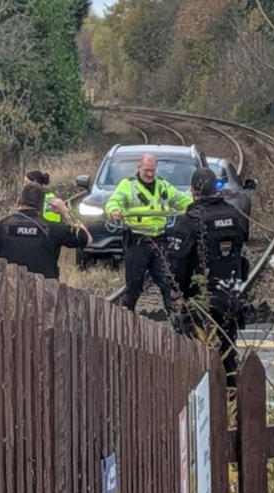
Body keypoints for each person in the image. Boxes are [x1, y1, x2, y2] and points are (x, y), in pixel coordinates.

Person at [166, 167, 249, 387]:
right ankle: (230, 401)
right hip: (231, 296)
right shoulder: (236, 216)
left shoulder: (189, 222)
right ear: (216, 189)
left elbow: (176, 268)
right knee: (228, 354)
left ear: (193, 191)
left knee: (196, 360)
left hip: (201, 302)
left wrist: (179, 295)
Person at [104, 153, 193, 312]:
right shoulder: (128, 185)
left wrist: (197, 204)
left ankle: (173, 316)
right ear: (139, 168)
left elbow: (181, 200)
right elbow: (115, 200)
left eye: (153, 170)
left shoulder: (163, 186)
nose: (150, 174)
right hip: (137, 241)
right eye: (147, 170)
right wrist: (114, 210)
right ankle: (128, 315)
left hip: (159, 240)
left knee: (167, 283)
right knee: (134, 284)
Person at [0, 183, 92, 279]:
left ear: (18, 202)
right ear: (42, 207)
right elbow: (87, 238)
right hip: (44, 295)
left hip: (8, 294)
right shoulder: (52, 229)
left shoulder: (0, 227)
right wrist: (65, 212)